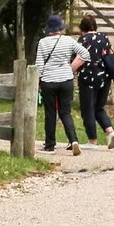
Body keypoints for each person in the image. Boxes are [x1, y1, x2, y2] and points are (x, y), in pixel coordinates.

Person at [33, 14, 87, 154]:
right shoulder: (68, 40)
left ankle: (50, 145)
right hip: (66, 80)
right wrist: (71, 67)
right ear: (60, 28)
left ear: (49, 29)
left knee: (50, 113)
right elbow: (85, 54)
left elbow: (39, 64)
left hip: (49, 81)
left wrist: (38, 81)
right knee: (65, 112)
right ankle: (73, 140)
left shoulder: (43, 42)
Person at [76, 15, 114, 147]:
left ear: (82, 28)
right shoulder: (104, 38)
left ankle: (92, 141)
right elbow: (109, 54)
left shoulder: (83, 40)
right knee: (98, 107)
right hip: (104, 77)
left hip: (88, 78)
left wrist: (71, 69)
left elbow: (79, 58)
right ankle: (110, 131)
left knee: (87, 109)